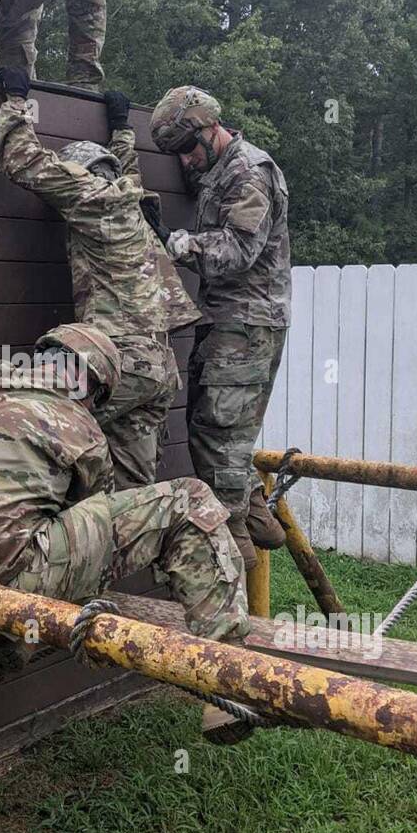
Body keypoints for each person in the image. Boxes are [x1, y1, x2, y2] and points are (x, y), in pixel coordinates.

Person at [0, 246, 249, 687]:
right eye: (99, 397)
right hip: (7, 582)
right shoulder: (84, 430)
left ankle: (17, 643)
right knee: (187, 500)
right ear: (89, 384)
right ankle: (232, 676)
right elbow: (99, 533)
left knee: (36, 528)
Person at [0, 69, 202, 488]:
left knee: (33, 425)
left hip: (119, 362)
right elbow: (131, 173)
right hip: (159, 369)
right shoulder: (131, 201)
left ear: (83, 171)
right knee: (132, 492)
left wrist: (15, 98)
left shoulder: (88, 193)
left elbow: (22, 160)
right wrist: (122, 128)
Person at [148, 86, 291, 570]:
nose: (186, 161)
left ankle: (233, 556)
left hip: (244, 324)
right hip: (229, 321)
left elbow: (238, 251)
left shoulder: (250, 172)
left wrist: (178, 243)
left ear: (212, 129)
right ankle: (258, 516)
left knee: (218, 437)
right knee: (212, 432)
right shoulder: (217, 170)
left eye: (189, 148)